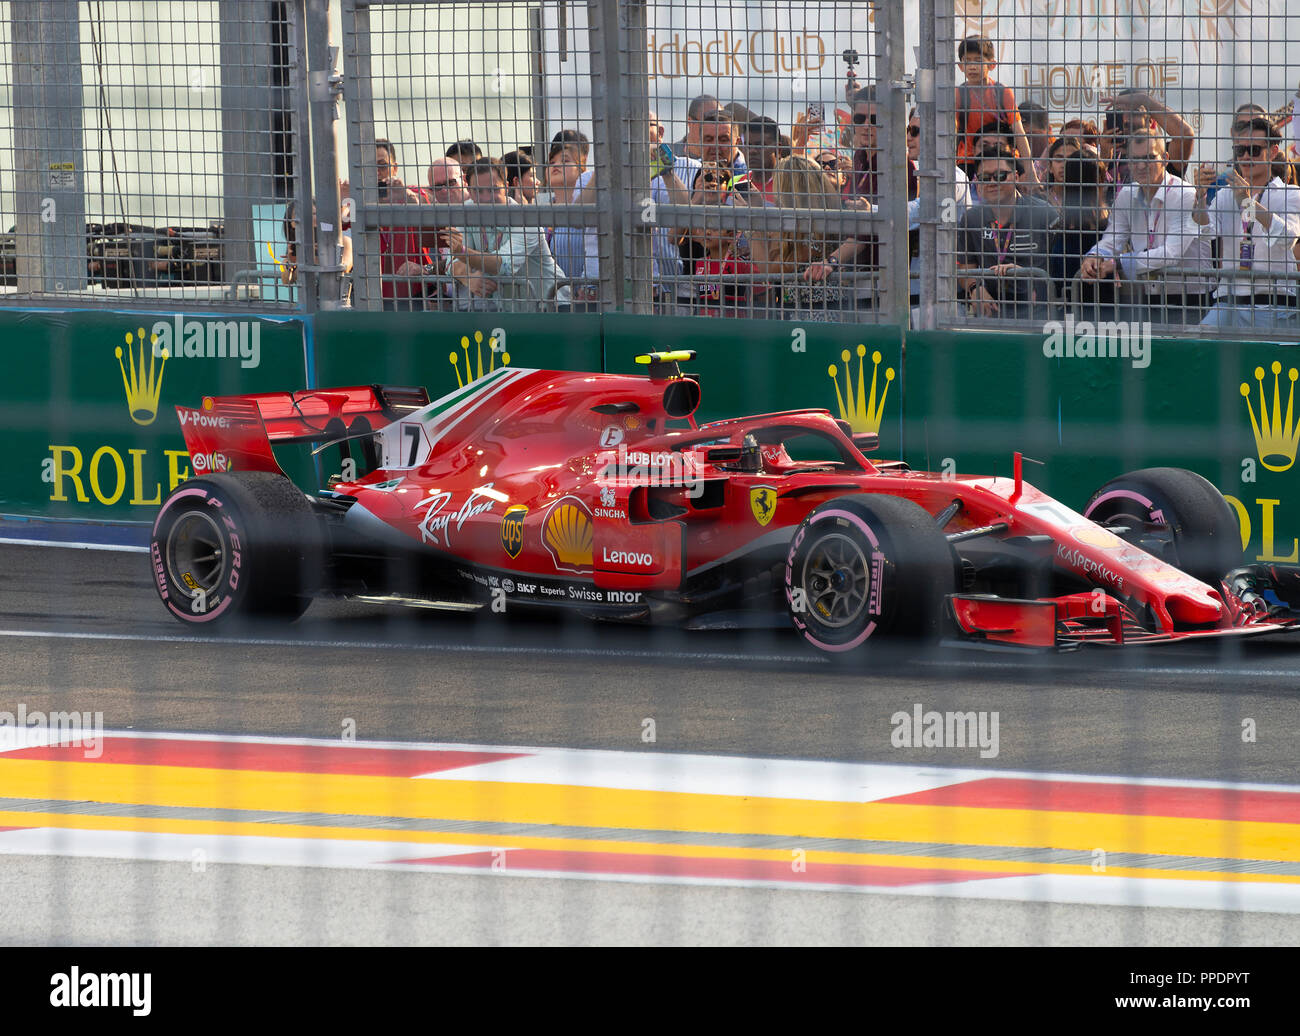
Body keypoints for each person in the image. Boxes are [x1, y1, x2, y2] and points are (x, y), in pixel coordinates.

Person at [1079, 128, 1213, 325]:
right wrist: (1095, 256)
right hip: (1149, 299)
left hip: (1191, 301)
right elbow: (1112, 238)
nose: (1141, 165)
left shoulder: (1185, 194)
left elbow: (1171, 253)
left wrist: (1117, 263)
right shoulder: (1126, 195)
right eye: (1135, 159)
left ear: (1165, 159)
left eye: (1149, 158)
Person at [1193, 116, 1300, 329]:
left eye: (1253, 150)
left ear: (1273, 152)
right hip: (1228, 302)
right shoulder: (1224, 195)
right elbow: (1205, 232)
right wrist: (1201, 196)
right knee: (1197, 340)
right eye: (1239, 150)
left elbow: (1288, 238)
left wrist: (1248, 203)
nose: (1245, 156)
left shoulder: (1290, 194)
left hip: (1273, 303)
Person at [446, 158, 569, 311]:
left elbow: (503, 266)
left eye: (493, 189)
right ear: (469, 191)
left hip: (552, 306)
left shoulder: (526, 220)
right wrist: (468, 278)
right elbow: (451, 262)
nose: (486, 198)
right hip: (513, 310)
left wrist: (462, 252)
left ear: (506, 186)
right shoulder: (466, 211)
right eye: (478, 190)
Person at [957, 142, 1055, 320]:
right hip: (991, 316)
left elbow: (1063, 264)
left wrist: (1027, 275)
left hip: (1039, 316)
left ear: (1016, 177)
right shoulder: (971, 219)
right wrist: (975, 288)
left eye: (1000, 176)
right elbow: (966, 268)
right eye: (985, 178)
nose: (992, 183)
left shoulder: (1044, 213)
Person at [755, 155, 855, 321]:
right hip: (806, 309)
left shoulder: (812, 227)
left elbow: (772, 269)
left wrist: (752, 222)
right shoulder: (806, 219)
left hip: (819, 313)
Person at [954, 36, 1040, 189]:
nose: (972, 67)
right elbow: (951, 132)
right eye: (967, 61)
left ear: (992, 65)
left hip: (1003, 156)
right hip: (970, 159)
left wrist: (1030, 171)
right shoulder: (958, 94)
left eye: (978, 61)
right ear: (961, 66)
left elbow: (1019, 132)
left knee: (1022, 193)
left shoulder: (1002, 92)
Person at [375, 138, 435, 309]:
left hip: (413, 290)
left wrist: (405, 195)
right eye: (369, 167)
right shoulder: (358, 201)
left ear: (395, 168)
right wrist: (341, 199)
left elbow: (425, 204)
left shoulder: (410, 192)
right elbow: (337, 225)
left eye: (382, 165)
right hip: (373, 292)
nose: (376, 172)